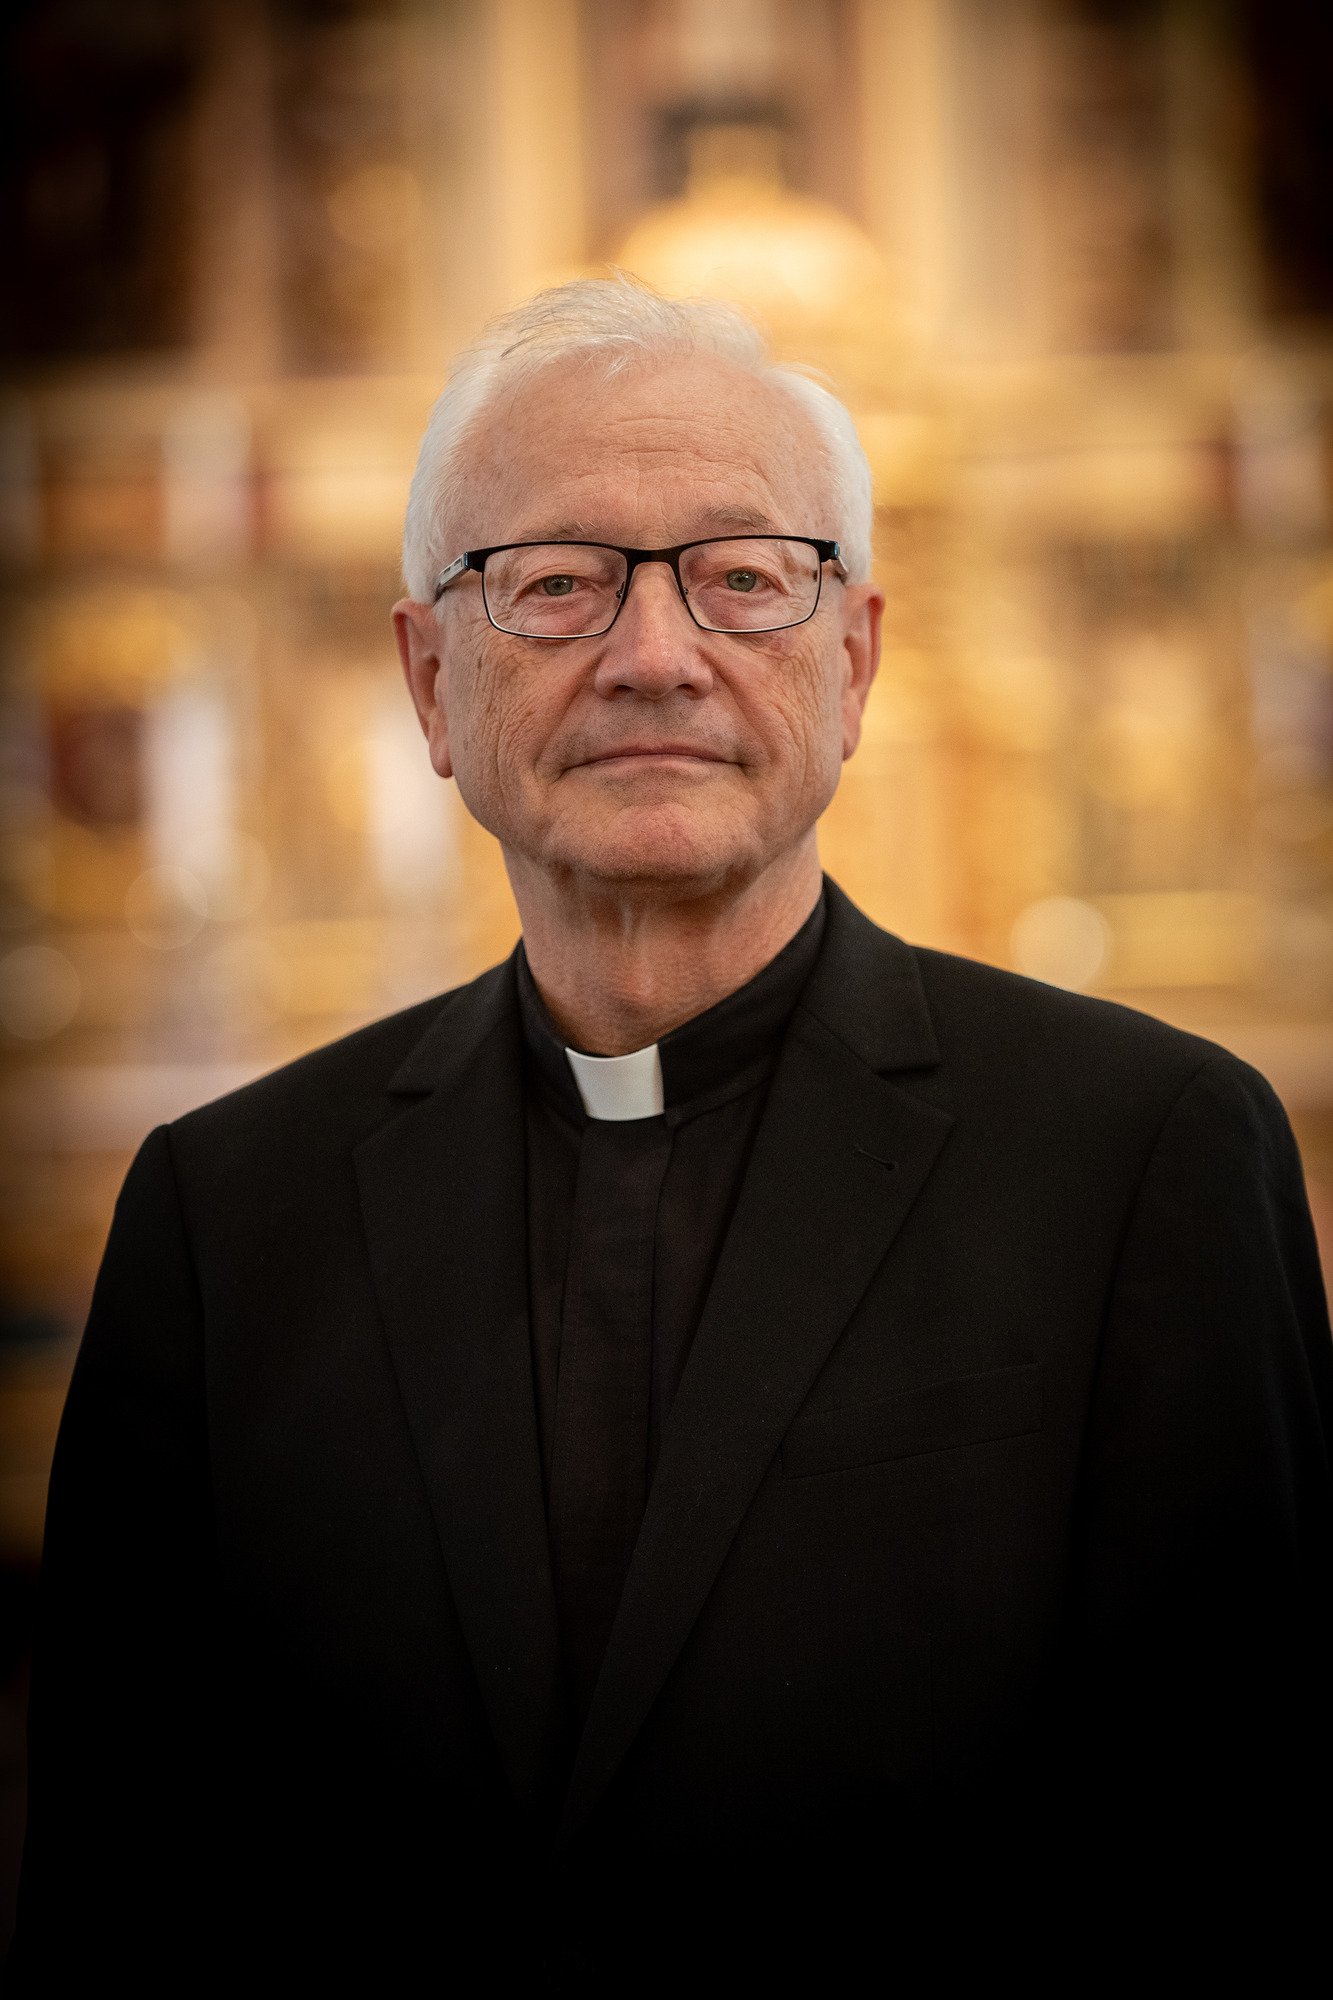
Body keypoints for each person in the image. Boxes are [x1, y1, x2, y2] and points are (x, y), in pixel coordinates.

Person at [11, 278, 1332, 1992]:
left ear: (850, 661)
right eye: (553, 583)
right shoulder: (224, 1213)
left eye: (743, 578)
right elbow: (117, 1896)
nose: (653, 654)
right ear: (428, 679)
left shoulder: (1144, 1155)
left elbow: (1253, 1853)